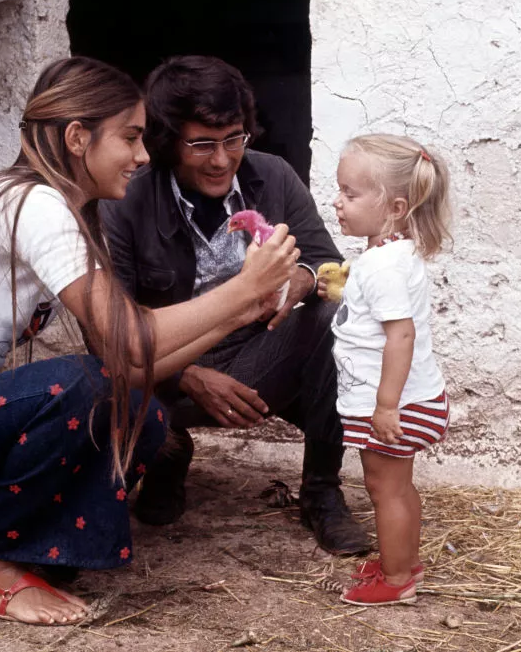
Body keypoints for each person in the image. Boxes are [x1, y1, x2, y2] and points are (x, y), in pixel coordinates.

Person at [0, 57, 298, 626]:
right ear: (78, 138)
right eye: (130, 137)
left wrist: (245, 308)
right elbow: (128, 347)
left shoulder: (49, 204)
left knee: (144, 417)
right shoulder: (34, 205)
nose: (144, 155)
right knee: (80, 384)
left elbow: (128, 369)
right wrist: (242, 288)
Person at [96, 55, 370, 555]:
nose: (222, 159)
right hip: (168, 365)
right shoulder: (127, 199)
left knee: (337, 318)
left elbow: (325, 263)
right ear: (165, 140)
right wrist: (188, 376)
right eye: (201, 143)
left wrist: (299, 286)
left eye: (234, 139)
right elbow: (114, 327)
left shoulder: (275, 177)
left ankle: (322, 494)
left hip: (259, 354)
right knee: (103, 378)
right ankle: (166, 456)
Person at [323, 133, 453, 606]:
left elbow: (401, 335)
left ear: (395, 207)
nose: (337, 202)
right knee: (396, 485)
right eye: (340, 190)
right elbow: (380, 318)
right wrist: (343, 296)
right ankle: (404, 560)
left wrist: (385, 406)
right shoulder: (390, 256)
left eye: (350, 194)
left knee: (385, 490)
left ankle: (397, 581)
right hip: (408, 399)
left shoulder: (382, 267)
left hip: (394, 404)